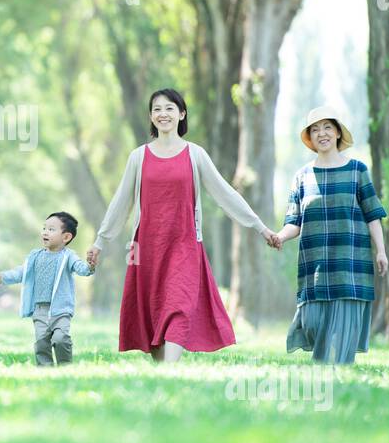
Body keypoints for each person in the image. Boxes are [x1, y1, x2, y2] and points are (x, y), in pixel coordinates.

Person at [86, 87, 279, 362]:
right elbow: (120, 203)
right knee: (153, 311)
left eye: (169, 108)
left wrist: (260, 227)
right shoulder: (138, 157)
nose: (163, 114)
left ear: (181, 114)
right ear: (151, 117)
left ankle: (171, 369)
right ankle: (163, 374)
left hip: (185, 242)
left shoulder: (195, 154)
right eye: (157, 109)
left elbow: (225, 193)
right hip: (145, 246)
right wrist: (100, 242)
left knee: (178, 304)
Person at [275, 106, 388, 365]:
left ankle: (339, 378)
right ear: (310, 138)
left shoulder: (357, 170)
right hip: (314, 269)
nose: (321, 133)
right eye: (315, 130)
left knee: (341, 339)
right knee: (313, 324)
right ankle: (326, 371)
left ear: (337, 132)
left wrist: (381, 251)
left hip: (350, 265)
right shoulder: (302, 176)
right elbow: (294, 222)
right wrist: (280, 237)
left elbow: (373, 215)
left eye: (327, 127)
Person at [0, 211, 95, 366]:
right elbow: (21, 272)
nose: (45, 232)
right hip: (40, 309)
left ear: (66, 237)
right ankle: (45, 369)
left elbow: (81, 268)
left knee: (61, 339)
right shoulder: (35, 256)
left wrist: (89, 265)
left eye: (51, 229)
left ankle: (65, 366)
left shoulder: (68, 256)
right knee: (42, 342)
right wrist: (1, 276)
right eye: (44, 228)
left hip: (60, 309)